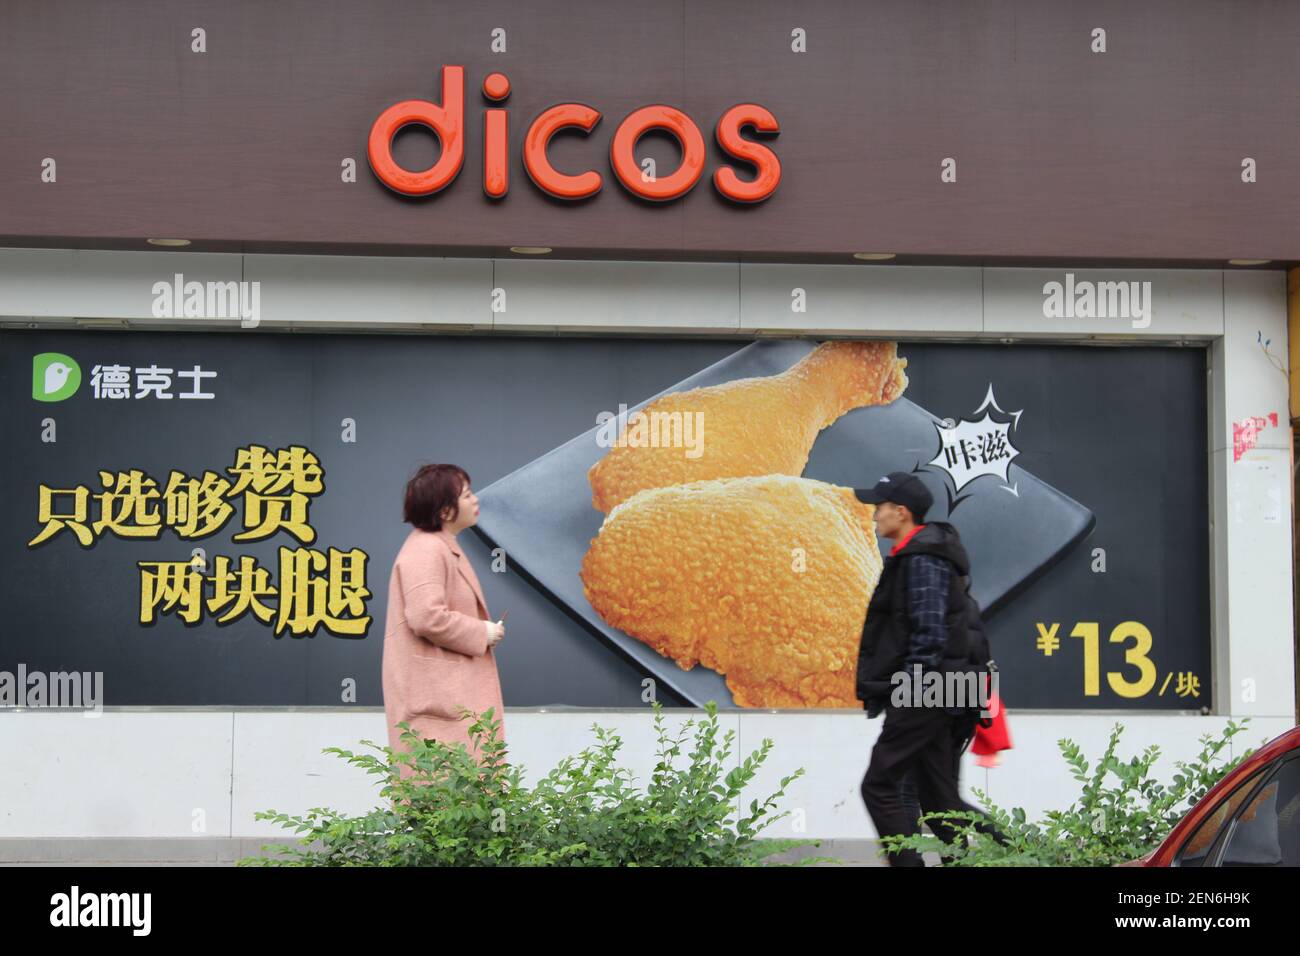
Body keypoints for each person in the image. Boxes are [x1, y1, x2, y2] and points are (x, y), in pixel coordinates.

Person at [853, 470, 990, 867]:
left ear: (901, 512)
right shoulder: (921, 554)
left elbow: (928, 634)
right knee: (938, 800)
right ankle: (1005, 855)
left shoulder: (922, 557)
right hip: (942, 689)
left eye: (879, 508)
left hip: (927, 690)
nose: (874, 515)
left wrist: (908, 692)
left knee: (878, 785)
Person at [381, 463, 506, 772]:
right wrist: (482, 633)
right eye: (466, 495)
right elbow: (426, 616)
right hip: (438, 704)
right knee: (449, 803)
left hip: (445, 701)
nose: (475, 500)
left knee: (460, 805)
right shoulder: (426, 549)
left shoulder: (438, 546)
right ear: (446, 510)